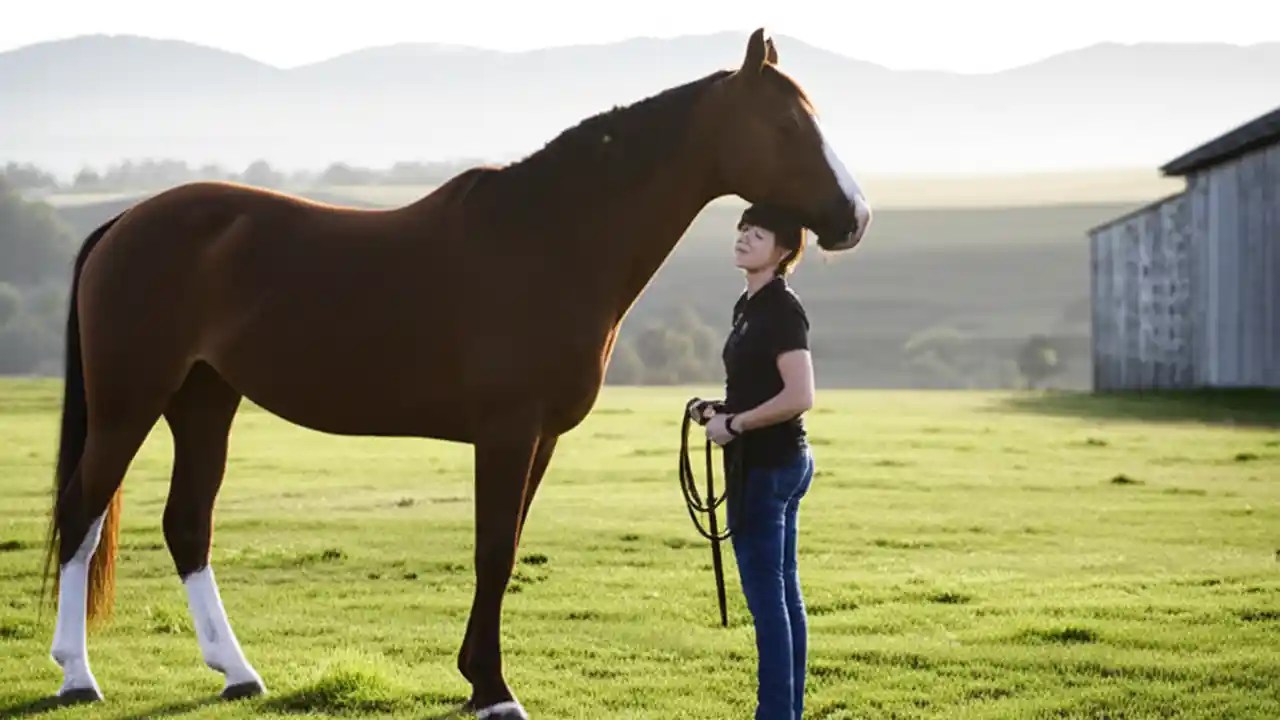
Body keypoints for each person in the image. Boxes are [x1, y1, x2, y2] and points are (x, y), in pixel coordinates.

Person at [704, 202, 816, 720]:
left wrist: (735, 425)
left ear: (784, 250)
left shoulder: (781, 310)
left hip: (770, 467)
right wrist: (716, 410)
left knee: (770, 603)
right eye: (743, 229)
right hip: (768, 463)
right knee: (783, 595)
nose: (745, 238)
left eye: (759, 233)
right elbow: (756, 388)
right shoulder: (748, 306)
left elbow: (799, 395)